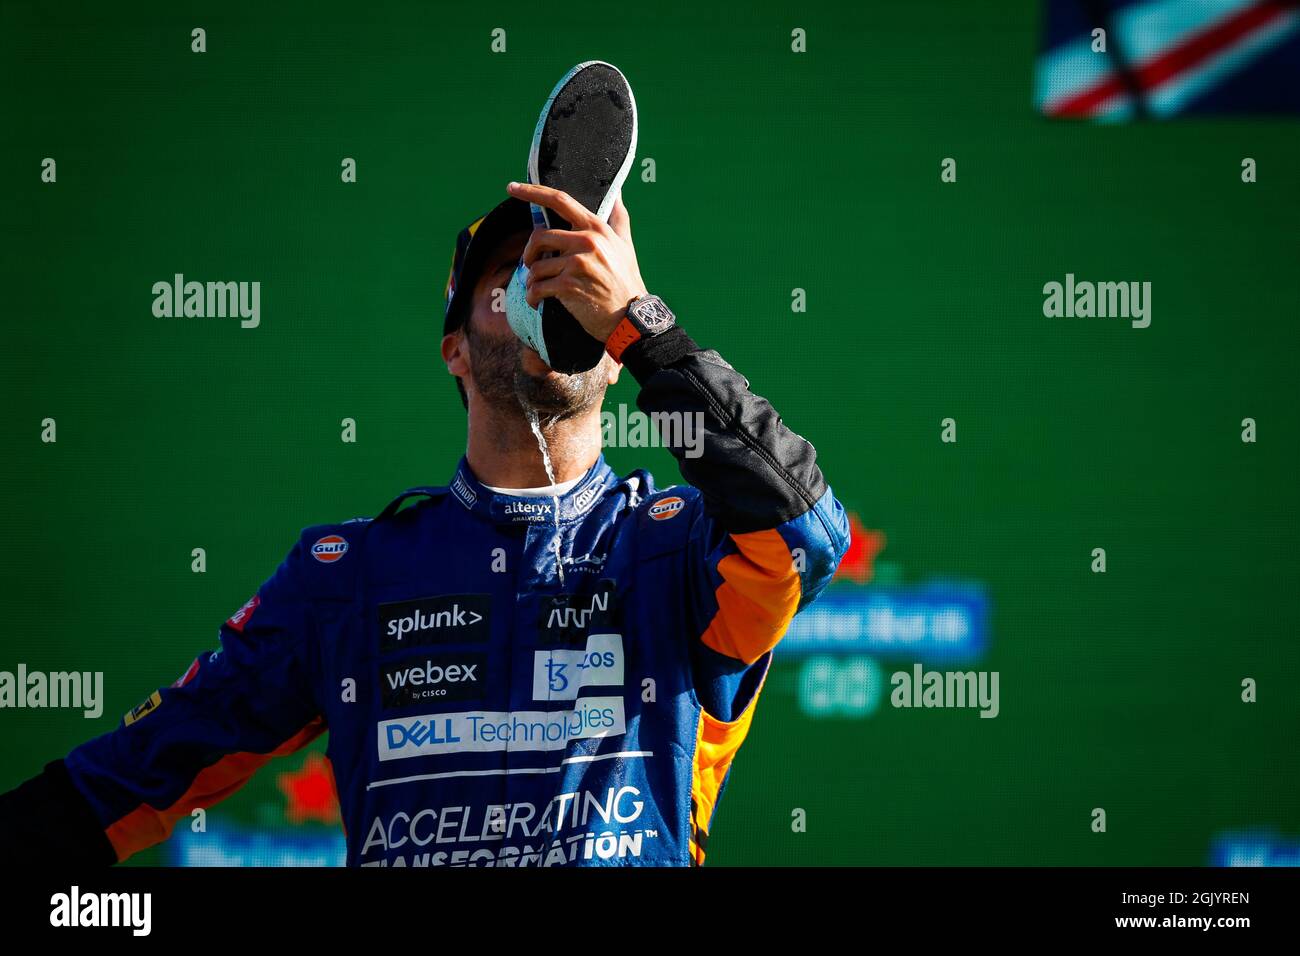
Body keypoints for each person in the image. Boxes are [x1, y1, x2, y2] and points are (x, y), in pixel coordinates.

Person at [0, 180, 849, 867]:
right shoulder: (347, 577)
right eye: (510, 276)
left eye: (567, 271)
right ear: (453, 348)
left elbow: (805, 530)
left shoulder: (677, 551)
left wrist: (645, 327)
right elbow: (130, 778)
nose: (541, 289)